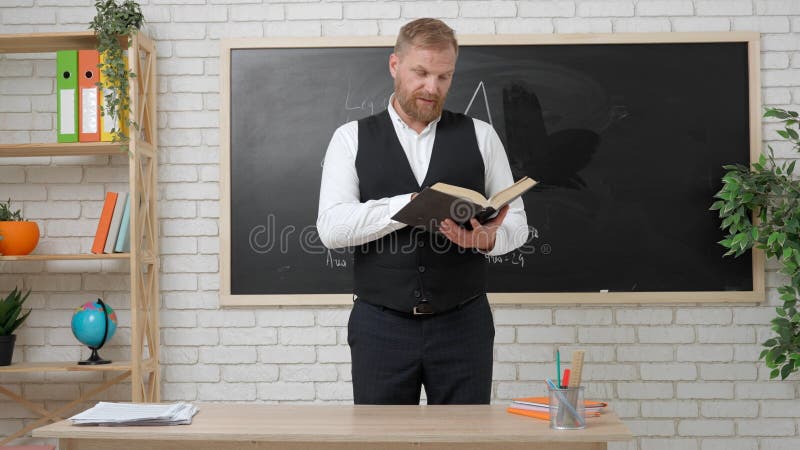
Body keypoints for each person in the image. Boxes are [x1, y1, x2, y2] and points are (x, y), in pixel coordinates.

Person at [316, 18, 529, 405]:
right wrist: (407, 205)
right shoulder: (350, 139)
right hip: (379, 326)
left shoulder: (482, 135)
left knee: (466, 441)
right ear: (395, 65)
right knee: (380, 442)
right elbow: (331, 228)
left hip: (465, 323)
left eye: (444, 77)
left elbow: (517, 221)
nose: (432, 87)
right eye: (422, 73)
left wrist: (487, 239)